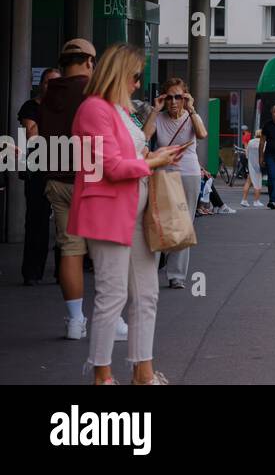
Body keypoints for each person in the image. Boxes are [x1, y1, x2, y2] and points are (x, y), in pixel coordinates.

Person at [68, 43, 185, 384]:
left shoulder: (118, 110)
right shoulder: (94, 109)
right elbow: (112, 167)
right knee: (112, 295)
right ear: (119, 74)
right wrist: (154, 160)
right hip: (107, 211)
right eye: (135, 76)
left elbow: (127, 156)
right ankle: (102, 376)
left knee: (146, 294)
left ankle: (143, 372)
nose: (137, 84)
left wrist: (153, 153)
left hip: (132, 209)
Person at [35, 38, 123, 341]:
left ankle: (75, 321)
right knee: (105, 252)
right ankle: (112, 320)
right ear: (89, 61)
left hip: (57, 181)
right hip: (92, 181)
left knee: (69, 251)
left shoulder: (47, 95)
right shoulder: (95, 92)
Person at [144, 78, 207, 290]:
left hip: (189, 174)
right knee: (160, 221)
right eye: (169, 97)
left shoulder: (190, 117)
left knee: (183, 224)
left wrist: (192, 109)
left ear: (185, 98)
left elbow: (202, 134)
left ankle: (176, 275)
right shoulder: (159, 118)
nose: (173, 101)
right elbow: (144, 135)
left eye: (178, 97)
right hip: (164, 173)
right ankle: (150, 272)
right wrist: (154, 110)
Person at [19, 67, 59, 285]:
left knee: (65, 225)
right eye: (47, 83)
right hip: (36, 169)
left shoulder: (65, 108)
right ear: (41, 85)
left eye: (56, 84)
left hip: (62, 168)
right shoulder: (30, 106)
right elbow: (32, 134)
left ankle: (62, 272)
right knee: (36, 221)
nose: (51, 88)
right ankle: (32, 272)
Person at [241, 127, 265, 207]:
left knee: (248, 182)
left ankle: (244, 200)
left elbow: (246, 154)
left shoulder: (250, 142)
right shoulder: (264, 143)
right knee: (258, 183)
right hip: (258, 166)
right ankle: (256, 201)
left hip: (251, 165)